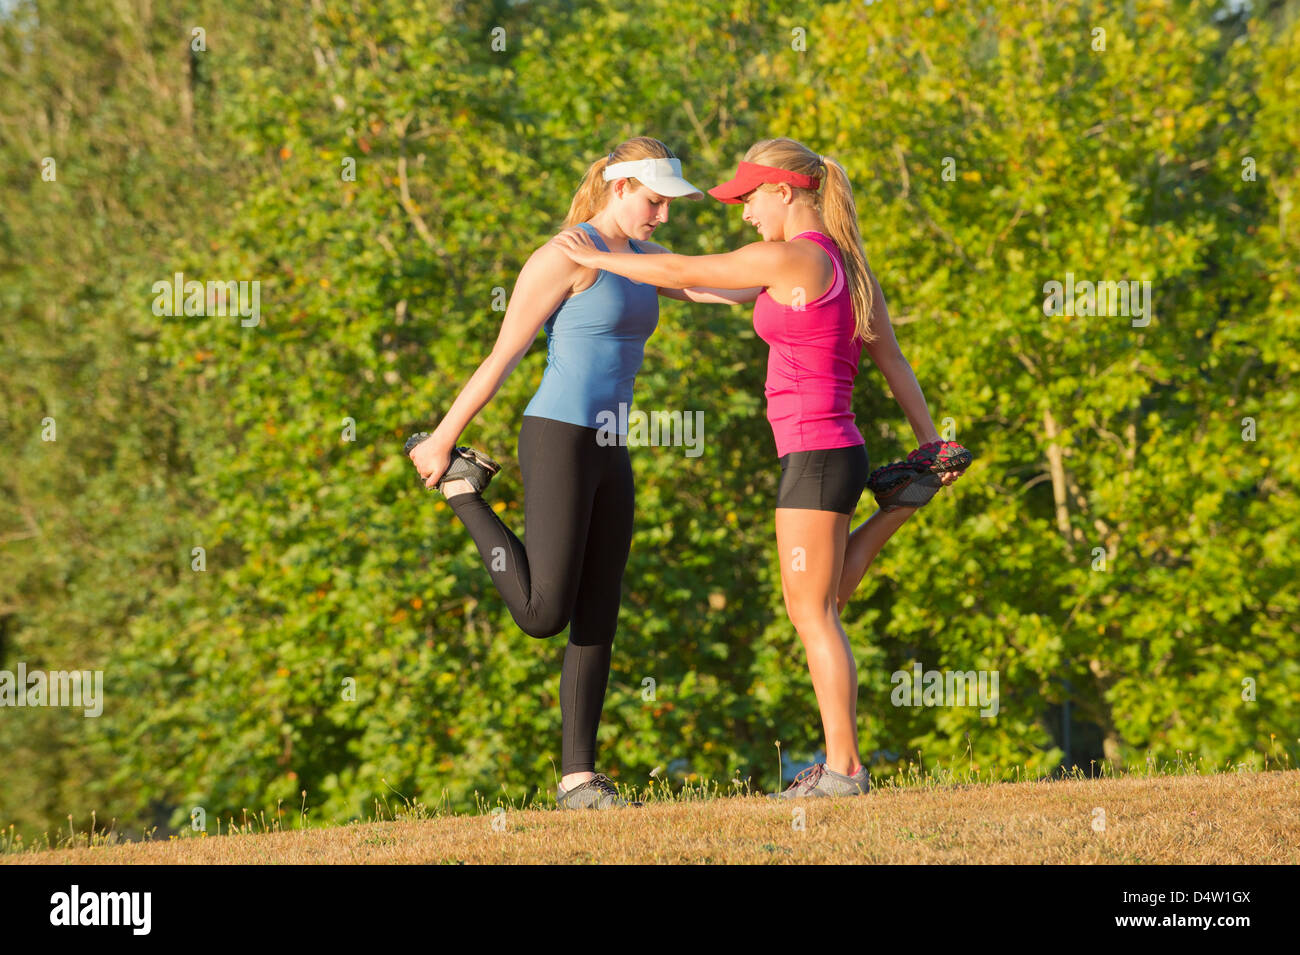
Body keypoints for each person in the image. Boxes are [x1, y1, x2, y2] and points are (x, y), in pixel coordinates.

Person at [552, 137, 967, 799]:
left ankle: (844, 769)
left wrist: (596, 254)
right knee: (823, 602)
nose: (744, 212)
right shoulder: (845, 264)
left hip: (813, 453)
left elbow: (687, 266)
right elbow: (891, 356)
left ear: (783, 190)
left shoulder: (787, 255)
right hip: (838, 449)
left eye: (748, 198)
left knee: (813, 614)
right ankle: (900, 503)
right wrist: (930, 443)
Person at [407, 137, 757, 809]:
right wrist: (444, 437)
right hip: (557, 439)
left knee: (599, 611)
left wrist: (802, 259)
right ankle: (462, 487)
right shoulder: (564, 256)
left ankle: (579, 777)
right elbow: (504, 354)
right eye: (654, 202)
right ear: (620, 188)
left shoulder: (649, 259)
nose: (662, 217)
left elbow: (731, 289)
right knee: (544, 614)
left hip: (610, 445)